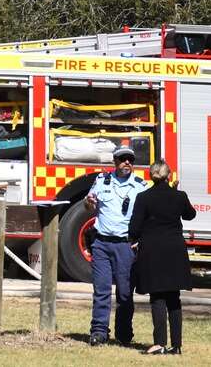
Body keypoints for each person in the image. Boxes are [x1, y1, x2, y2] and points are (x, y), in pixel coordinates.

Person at [129, 160, 196, 355]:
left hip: (152, 251)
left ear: (150, 176)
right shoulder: (179, 196)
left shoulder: (143, 197)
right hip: (175, 251)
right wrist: (177, 193)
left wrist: (135, 239)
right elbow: (190, 215)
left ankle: (159, 343)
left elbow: (134, 228)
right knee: (174, 298)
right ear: (169, 175)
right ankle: (176, 345)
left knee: (157, 296)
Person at [84, 144, 146, 347]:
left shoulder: (140, 186)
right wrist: (89, 203)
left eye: (130, 159)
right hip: (101, 244)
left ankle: (124, 332)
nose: (127, 162)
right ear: (115, 161)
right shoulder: (101, 180)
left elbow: (148, 215)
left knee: (125, 293)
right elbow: (89, 205)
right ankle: (99, 332)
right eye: (122, 159)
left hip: (125, 246)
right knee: (101, 290)